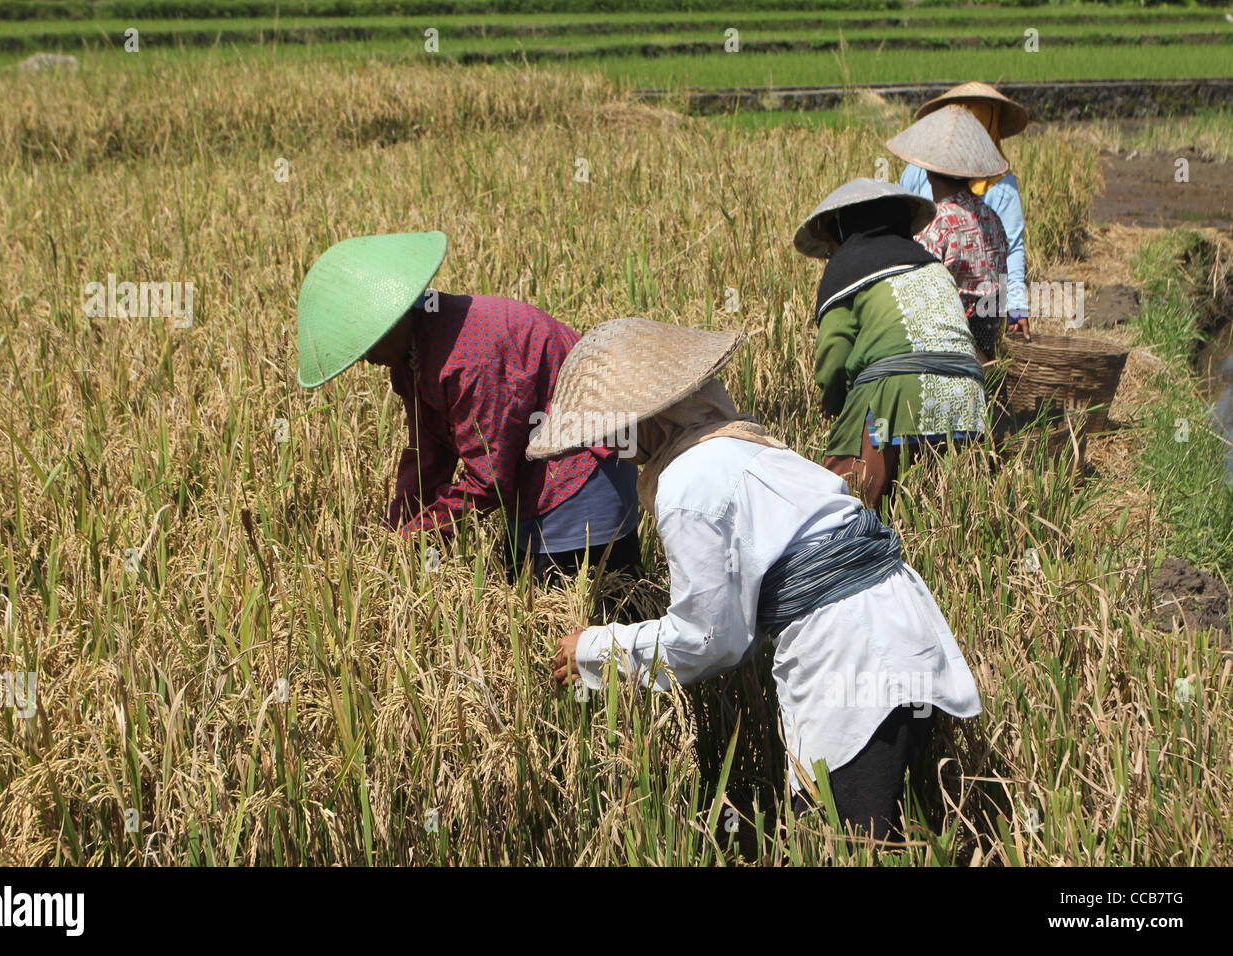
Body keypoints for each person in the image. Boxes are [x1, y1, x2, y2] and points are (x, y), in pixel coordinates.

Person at [530, 317, 982, 842]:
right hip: (898, 627)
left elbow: (710, 640)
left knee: (843, 841)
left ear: (648, 418)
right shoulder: (744, 445)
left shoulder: (686, 483)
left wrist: (598, 648)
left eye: (610, 429)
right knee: (870, 835)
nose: (609, 446)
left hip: (852, 654)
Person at [296, 231, 641, 581]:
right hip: (529, 477)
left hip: (578, 472)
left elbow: (490, 479)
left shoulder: (471, 358)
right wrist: (398, 531)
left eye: (369, 345)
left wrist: (423, 533)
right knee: (521, 589)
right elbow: (427, 453)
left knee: (583, 609)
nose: (368, 359)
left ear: (396, 317)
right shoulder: (412, 360)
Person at [793, 179, 988, 511]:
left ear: (843, 228)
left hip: (896, 396)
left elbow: (833, 358)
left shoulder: (845, 268)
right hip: (968, 400)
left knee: (842, 506)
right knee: (938, 509)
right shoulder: (930, 263)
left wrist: (835, 405)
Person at [898, 82, 1033, 343]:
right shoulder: (915, 173)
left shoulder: (999, 188)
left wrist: (1017, 306)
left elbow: (1014, 248)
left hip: (943, 328)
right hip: (977, 323)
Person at [886, 105, 1010, 360]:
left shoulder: (936, 223)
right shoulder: (992, 218)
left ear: (929, 173)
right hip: (988, 344)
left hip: (952, 350)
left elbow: (917, 295)